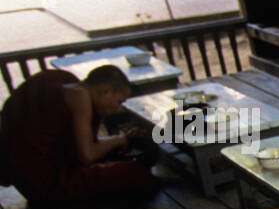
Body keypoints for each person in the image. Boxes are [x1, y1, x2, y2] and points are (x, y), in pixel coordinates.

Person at [0, 65, 160, 202]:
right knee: (134, 173)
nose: (118, 109)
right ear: (106, 92)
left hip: (24, 179)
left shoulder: (64, 82)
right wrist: (120, 139)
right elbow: (87, 155)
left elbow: (75, 143)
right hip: (47, 184)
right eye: (119, 101)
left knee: (116, 157)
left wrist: (119, 140)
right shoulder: (80, 96)